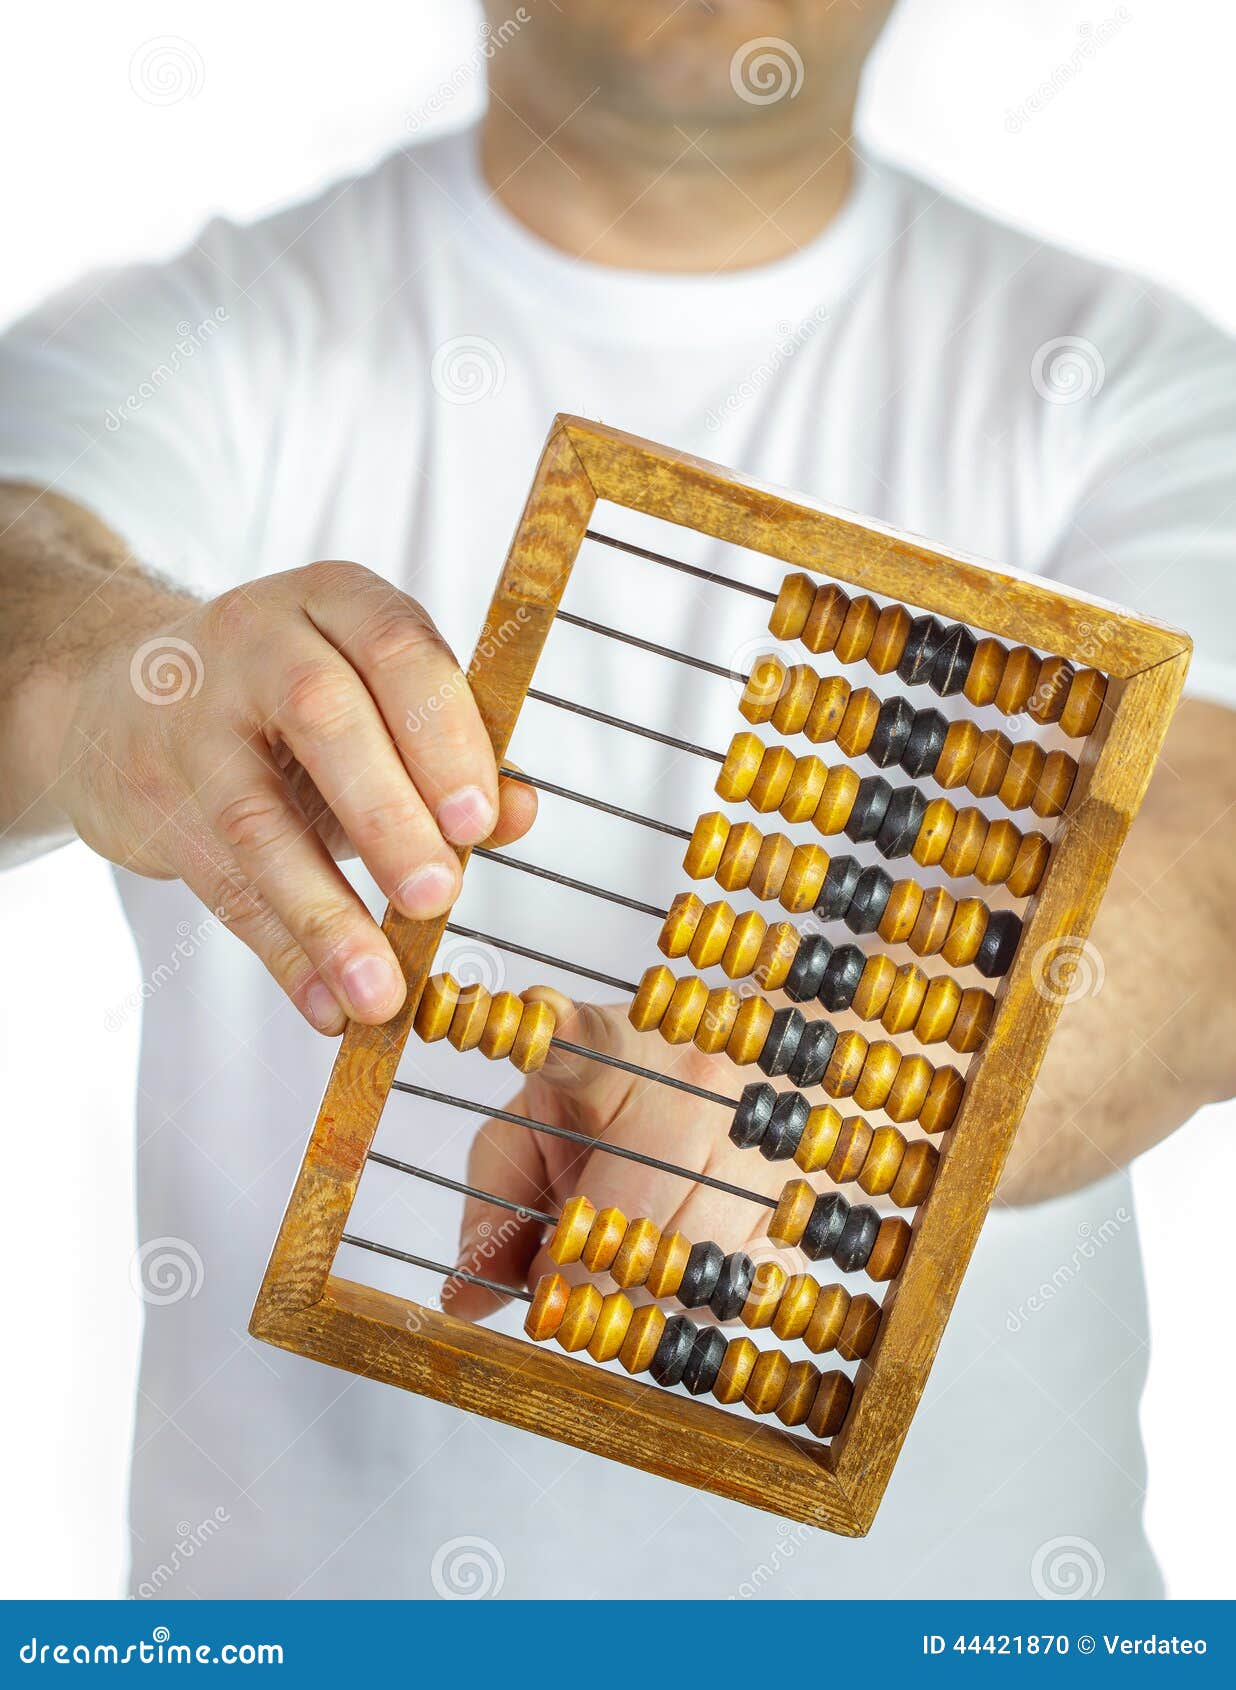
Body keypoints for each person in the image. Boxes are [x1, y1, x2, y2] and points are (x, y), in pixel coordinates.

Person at [1, 0, 1233, 1600]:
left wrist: (813, 1107)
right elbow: (29, 561)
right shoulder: (194, 336)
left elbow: (1212, 870)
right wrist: (108, 681)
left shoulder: (1137, 384)